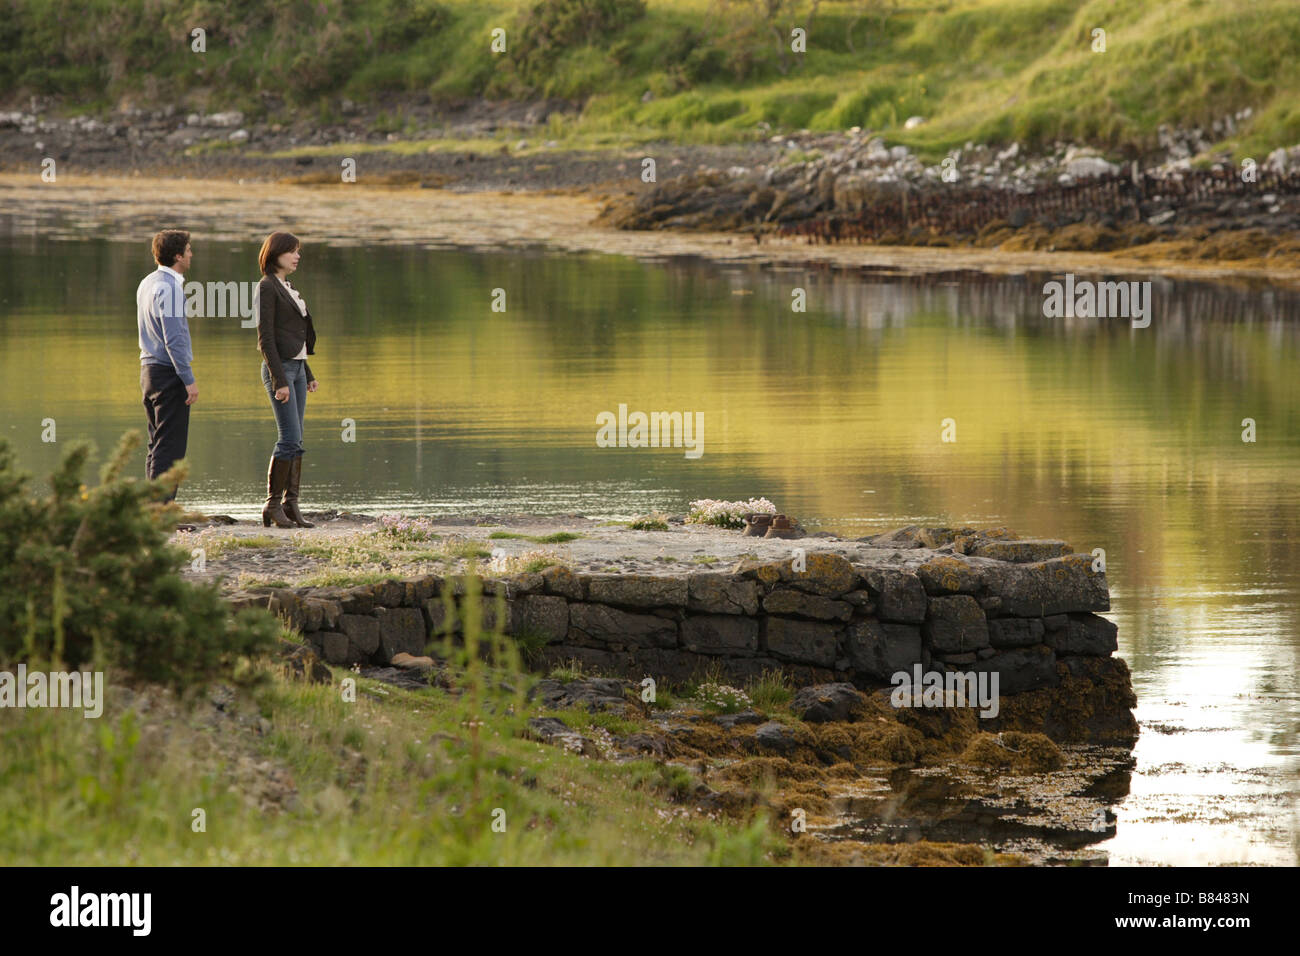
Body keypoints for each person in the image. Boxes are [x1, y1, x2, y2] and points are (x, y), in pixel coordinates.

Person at [256, 231, 318, 528]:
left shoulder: (289, 287)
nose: (297, 256)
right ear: (276, 253)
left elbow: (296, 337)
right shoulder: (267, 286)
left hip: (296, 367)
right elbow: (266, 338)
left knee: (298, 438)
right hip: (279, 369)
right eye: (292, 251)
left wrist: (307, 373)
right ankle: (272, 504)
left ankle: (291, 505)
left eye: (298, 251)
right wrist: (280, 380)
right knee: (289, 437)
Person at [137, 229, 197, 503]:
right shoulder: (170, 287)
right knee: (170, 446)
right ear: (177, 255)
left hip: (148, 372)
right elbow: (174, 339)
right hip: (168, 373)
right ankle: (161, 511)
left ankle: (154, 509)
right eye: (188, 249)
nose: (191, 254)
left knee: (156, 444)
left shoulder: (147, 282)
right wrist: (188, 378)